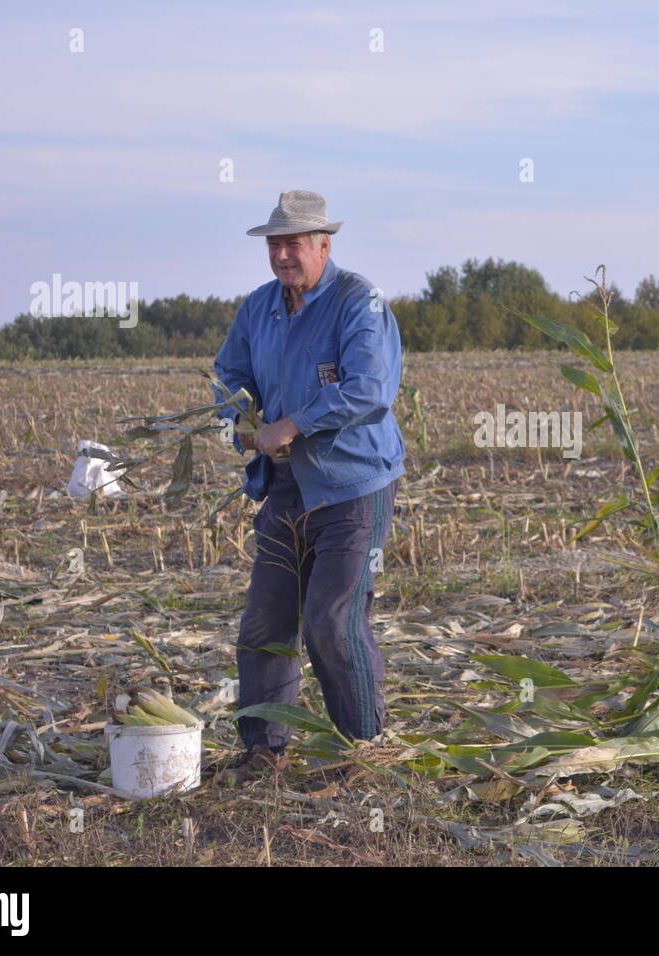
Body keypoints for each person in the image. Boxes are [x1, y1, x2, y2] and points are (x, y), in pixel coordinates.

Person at [211, 190, 406, 785]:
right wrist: (240, 426)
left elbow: (371, 388)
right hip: (285, 489)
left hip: (351, 489)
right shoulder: (259, 309)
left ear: (324, 245)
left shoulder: (359, 303)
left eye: (294, 243)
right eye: (274, 243)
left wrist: (295, 422)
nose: (282, 255)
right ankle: (264, 750)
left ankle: (363, 752)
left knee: (332, 619)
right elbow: (229, 377)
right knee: (265, 624)